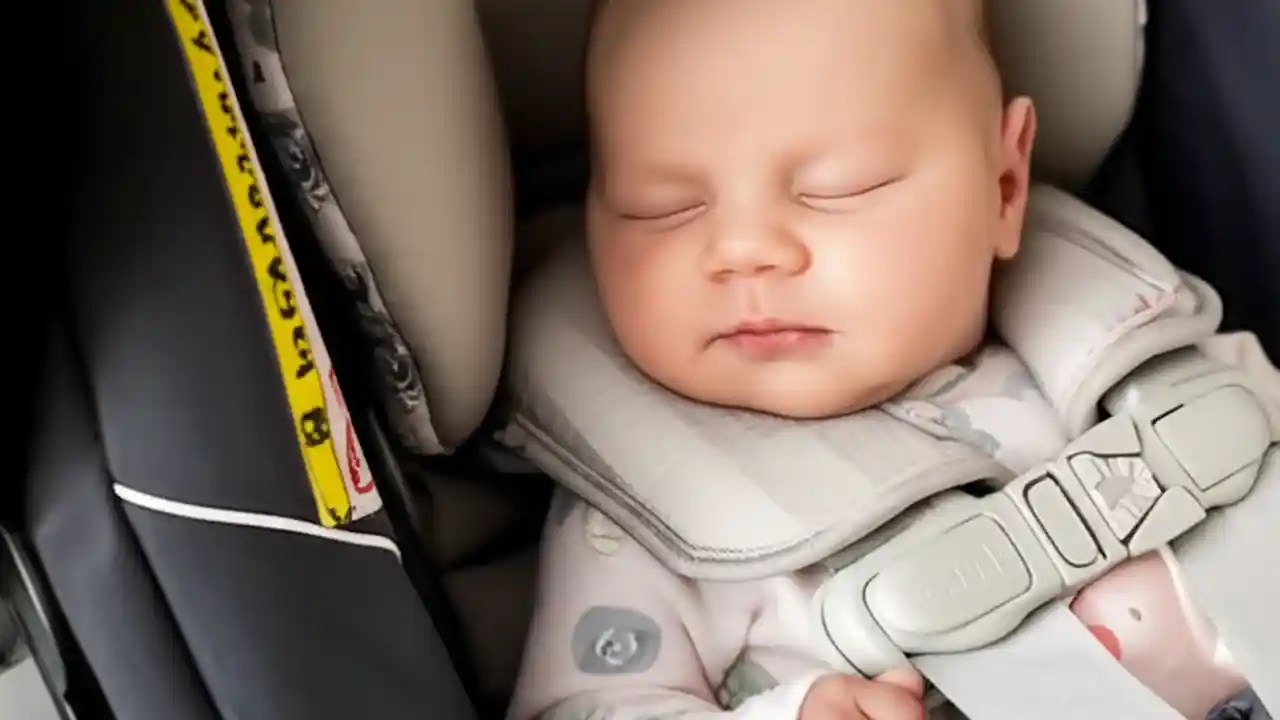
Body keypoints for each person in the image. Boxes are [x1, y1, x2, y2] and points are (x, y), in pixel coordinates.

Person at [505, 1, 1280, 718]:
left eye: (841, 188)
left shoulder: (1147, 363)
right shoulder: (644, 522)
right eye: (661, 206)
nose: (744, 251)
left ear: (1005, 186)